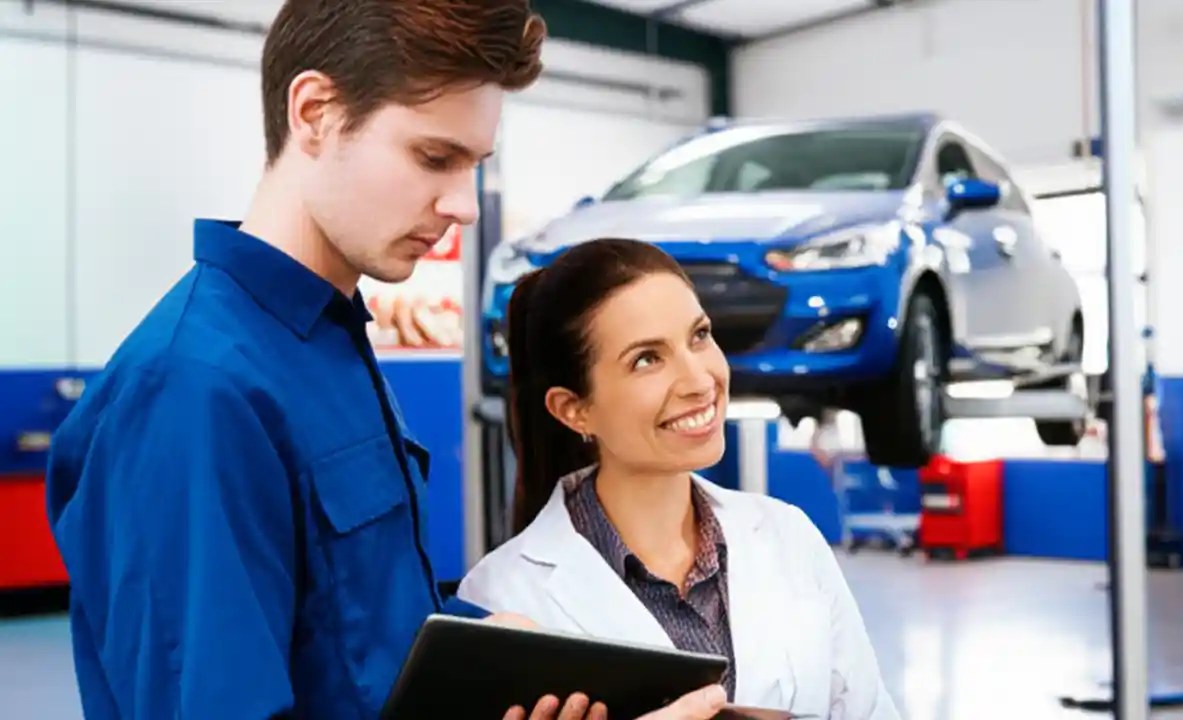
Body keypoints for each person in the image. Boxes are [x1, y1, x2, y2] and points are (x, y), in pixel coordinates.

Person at [44, 2, 725, 718]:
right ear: (314, 113)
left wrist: (487, 639)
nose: (464, 205)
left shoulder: (330, 342)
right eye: (434, 158)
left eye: (474, 164)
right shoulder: (192, 390)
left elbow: (356, 636)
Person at [458, 239, 901, 719]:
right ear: (574, 410)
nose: (699, 380)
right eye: (646, 359)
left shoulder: (788, 537)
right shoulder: (500, 596)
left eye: (700, 336)